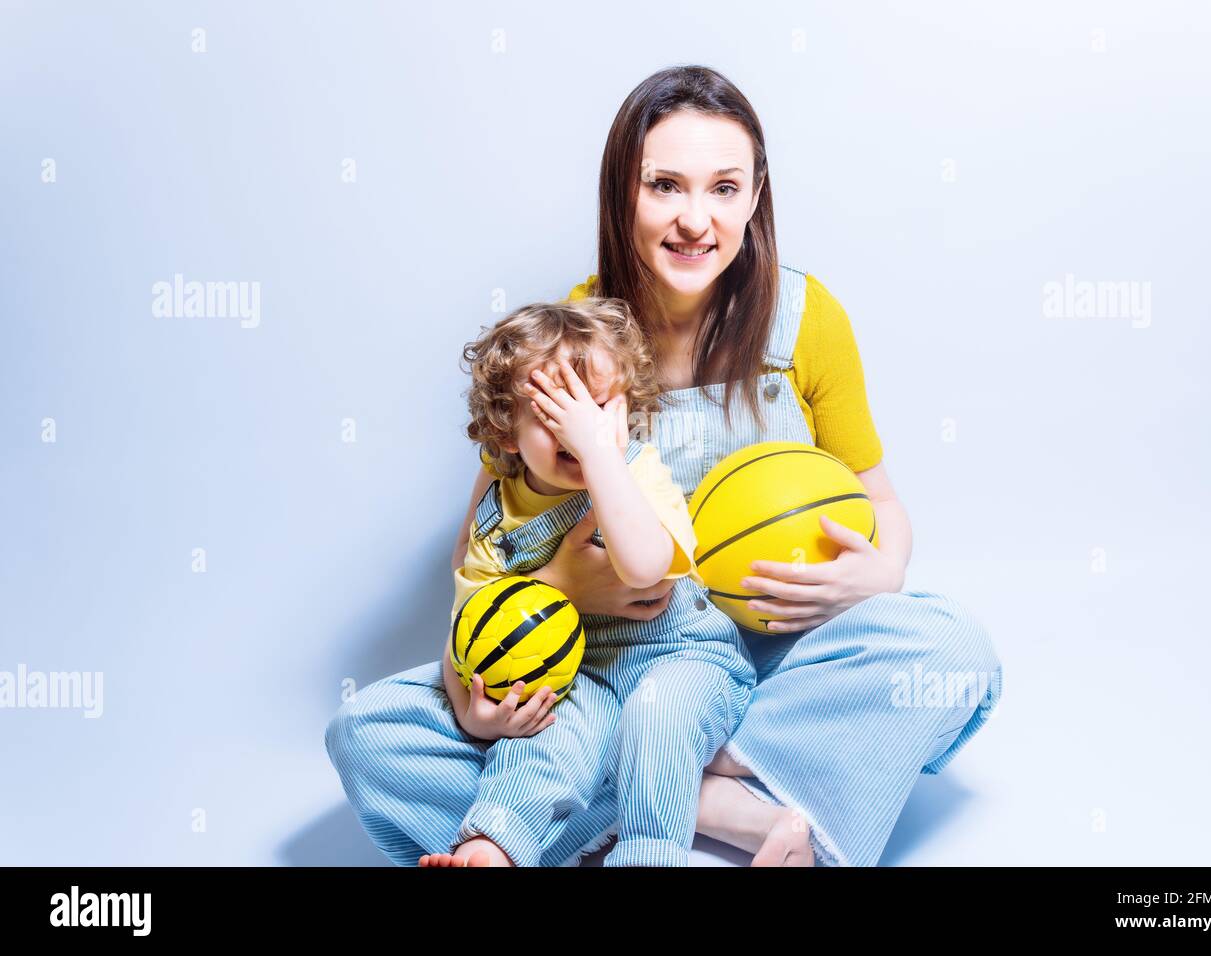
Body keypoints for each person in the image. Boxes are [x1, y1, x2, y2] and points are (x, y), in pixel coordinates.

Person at [327, 64, 1003, 867]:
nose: (695, 219)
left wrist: (877, 574)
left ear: (756, 199)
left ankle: (619, 809)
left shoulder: (806, 319)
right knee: (368, 736)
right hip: (602, 670)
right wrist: (559, 594)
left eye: (724, 188)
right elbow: (486, 545)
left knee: (951, 649)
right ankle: (713, 810)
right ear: (622, 194)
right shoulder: (568, 342)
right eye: (664, 186)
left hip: (767, 659)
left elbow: (881, 503)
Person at [423, 298, 755, 867]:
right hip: (582, 680)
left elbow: (647, 567)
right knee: (542, 744)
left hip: (683, 657)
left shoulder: (636, 473)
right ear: (505, 433)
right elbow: (468, 632)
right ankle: (495, 846)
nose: (583, 430)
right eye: (557, 414)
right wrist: (470, 712)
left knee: (660, 720)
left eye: (598, 410)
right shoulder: (498, 520)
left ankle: (648, 854)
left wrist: (603, 455)